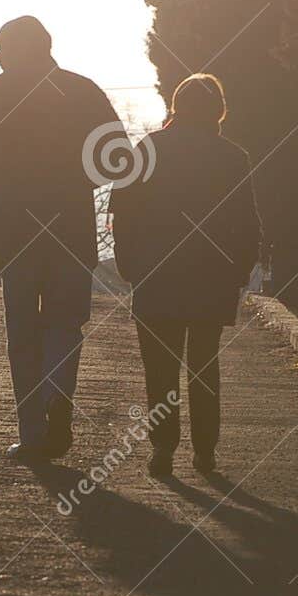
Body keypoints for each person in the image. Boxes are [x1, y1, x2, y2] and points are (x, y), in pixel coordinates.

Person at [0, 16, 120, 462]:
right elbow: (117, 160)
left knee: (23, 333)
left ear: (23, 49)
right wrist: (72, 177)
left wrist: (12, 178)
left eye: (3, 48)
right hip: (71, 230)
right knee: (65, 325)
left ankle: (33, 433)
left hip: (16, 232)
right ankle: (57, 396)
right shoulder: (84, 90)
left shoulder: (0, 94)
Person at [110, 74, 262, 478]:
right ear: (218, 110)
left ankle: (163, 449)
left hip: (156, 275)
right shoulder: (233, 157)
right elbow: (247, 223)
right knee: (203, 364)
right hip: (210, 278)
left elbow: (121, 212)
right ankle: (205, 453)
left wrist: (130, 266)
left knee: (160, 366)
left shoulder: (149, 149)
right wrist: (238, 270)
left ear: (176, 107)